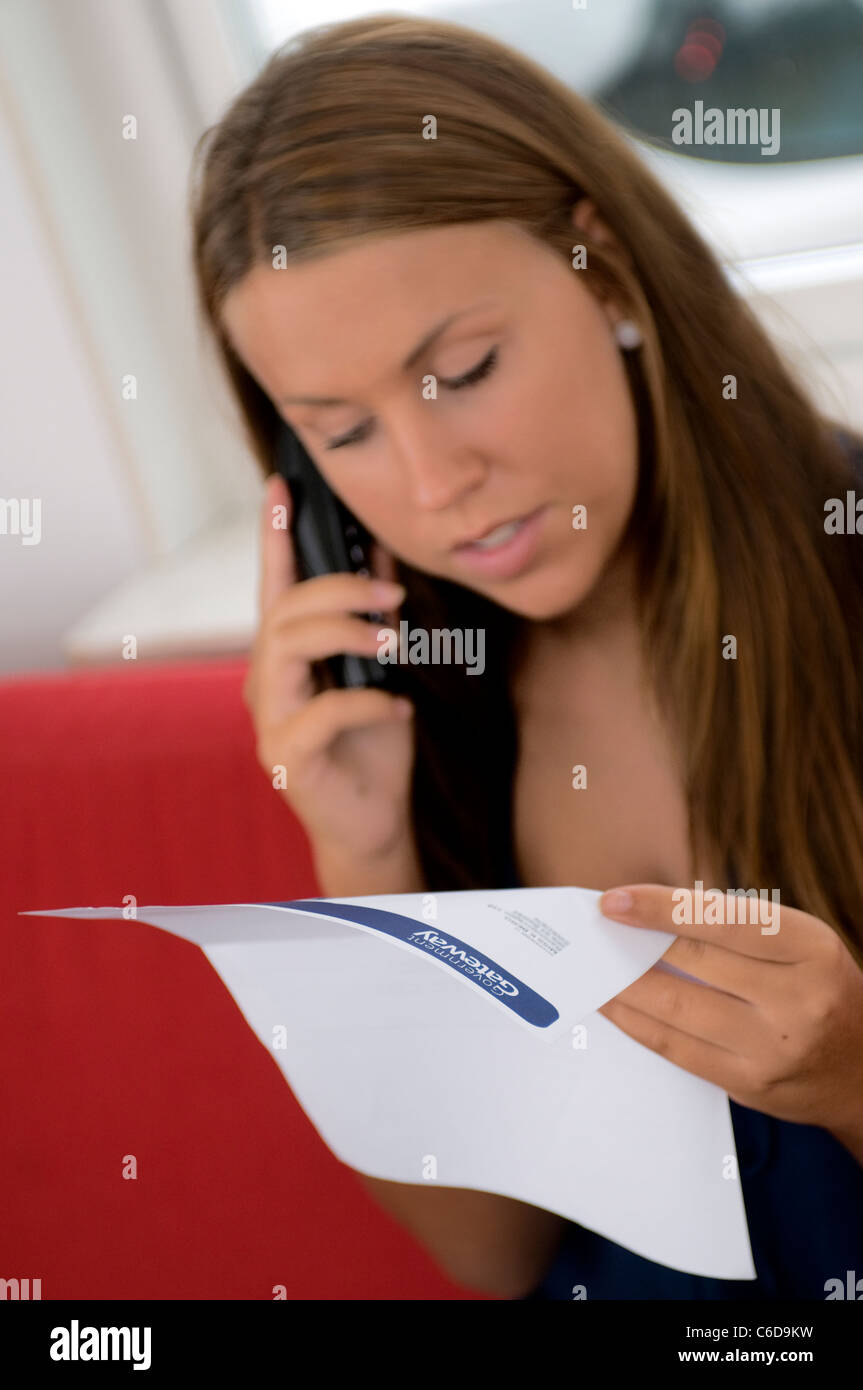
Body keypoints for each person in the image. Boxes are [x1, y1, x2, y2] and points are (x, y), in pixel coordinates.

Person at [189, 14, 863, 1299]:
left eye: (463, 369)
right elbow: (497, 1256)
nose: (436, 486)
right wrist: (364, 860)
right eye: (341, 433)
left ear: (602, 270)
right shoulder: (422, 696)